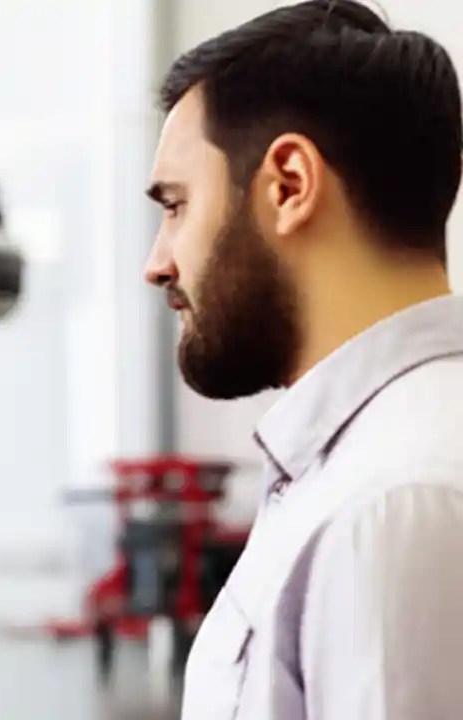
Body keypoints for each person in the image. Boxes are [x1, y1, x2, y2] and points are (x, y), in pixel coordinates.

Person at [144, 1, 463, 718]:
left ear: (288, 184)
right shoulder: (358, 472)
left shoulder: (391, 503)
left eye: (176, 206)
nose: (157, 263)